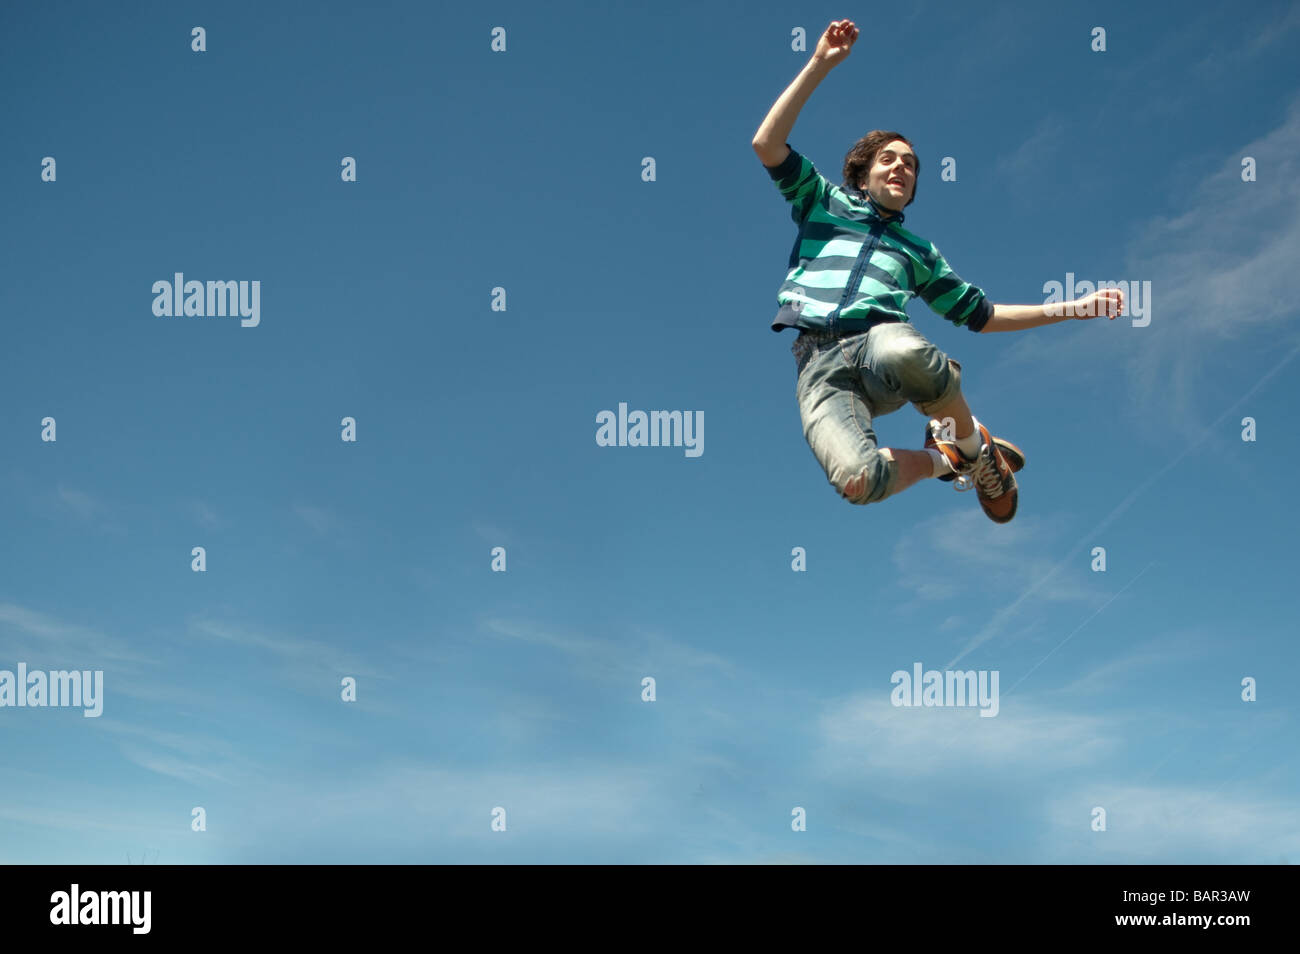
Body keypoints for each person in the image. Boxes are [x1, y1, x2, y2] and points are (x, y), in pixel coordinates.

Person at [753, 19, 1123, 523]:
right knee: (859, 482)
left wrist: (1071, 308)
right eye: (888, 159)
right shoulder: (823, 203)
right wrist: (819, 64)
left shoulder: (919, 251)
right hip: (818, 367)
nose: (902, 167)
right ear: (863, 173)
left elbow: (983, 315)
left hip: (877, 349)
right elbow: (767, 144)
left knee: (903, 346)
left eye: (910, 163)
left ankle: (971, 444)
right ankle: (951, 458)